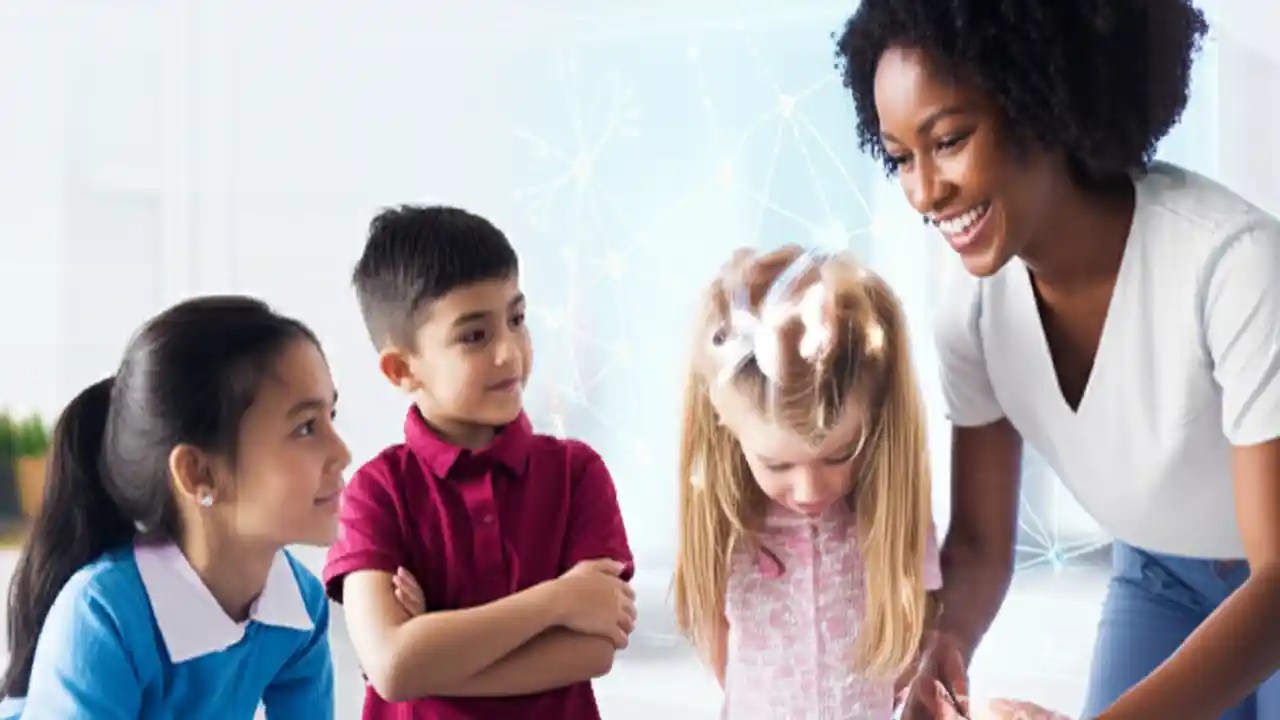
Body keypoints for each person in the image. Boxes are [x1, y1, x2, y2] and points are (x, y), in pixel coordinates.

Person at [837, 1, 1280, 718]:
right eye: (899, 158)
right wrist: (943, 645)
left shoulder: (1233, 267)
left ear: (1039, 100)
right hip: (1159, 573)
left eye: (948, 140)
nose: (923, 191)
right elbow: (980, 545)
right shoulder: (973, 310)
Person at [322, 205, 636, 719]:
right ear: (402, 369)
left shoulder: (578, 473)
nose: (509, 353)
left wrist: (436, 647)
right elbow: (394, 666)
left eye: (516, 319)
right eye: (474, 336)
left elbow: (593, 650)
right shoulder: (375, 492)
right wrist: (558, 601)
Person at [0, 296, 347, 719]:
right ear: (198, 473)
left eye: (333, 415)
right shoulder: (102, 613)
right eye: (306, 427)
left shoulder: (302, 605)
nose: (342, 452)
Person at [671, 245, 943, 718]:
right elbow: (723, 656)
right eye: (778, 466)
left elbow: (919, 630)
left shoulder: (889, 517)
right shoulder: (731, 530)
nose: (810, 491)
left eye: (838, 454)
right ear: (727, 433)